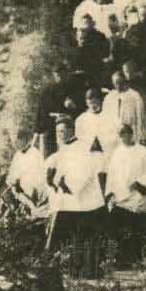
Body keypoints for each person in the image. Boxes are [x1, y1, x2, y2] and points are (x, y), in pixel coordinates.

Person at [45, 116, 105, 280]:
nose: (60, 135)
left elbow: (85, 174)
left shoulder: (82, 147)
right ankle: (74, 274)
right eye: (58, 132)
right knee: (72, 239)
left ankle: (89, 275)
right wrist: (53, 179)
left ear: (72, 131)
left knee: (87, 240)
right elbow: (57, 172)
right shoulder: (63, 150)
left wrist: (65, 184)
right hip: (72, 203)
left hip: (87, 202)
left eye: (63, 131)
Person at [105, 123, 146, 269]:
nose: (125, 137)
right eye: (122, 135)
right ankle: (122, 259)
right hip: (122, 197)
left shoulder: (142, 151)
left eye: (127, 134)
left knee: (138, 229)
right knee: (120, 228)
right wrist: (111, 194)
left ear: (132, 134)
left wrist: (138, 184)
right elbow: (112, 175)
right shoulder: (117, 152)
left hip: (138, 195)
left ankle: (137, 259)